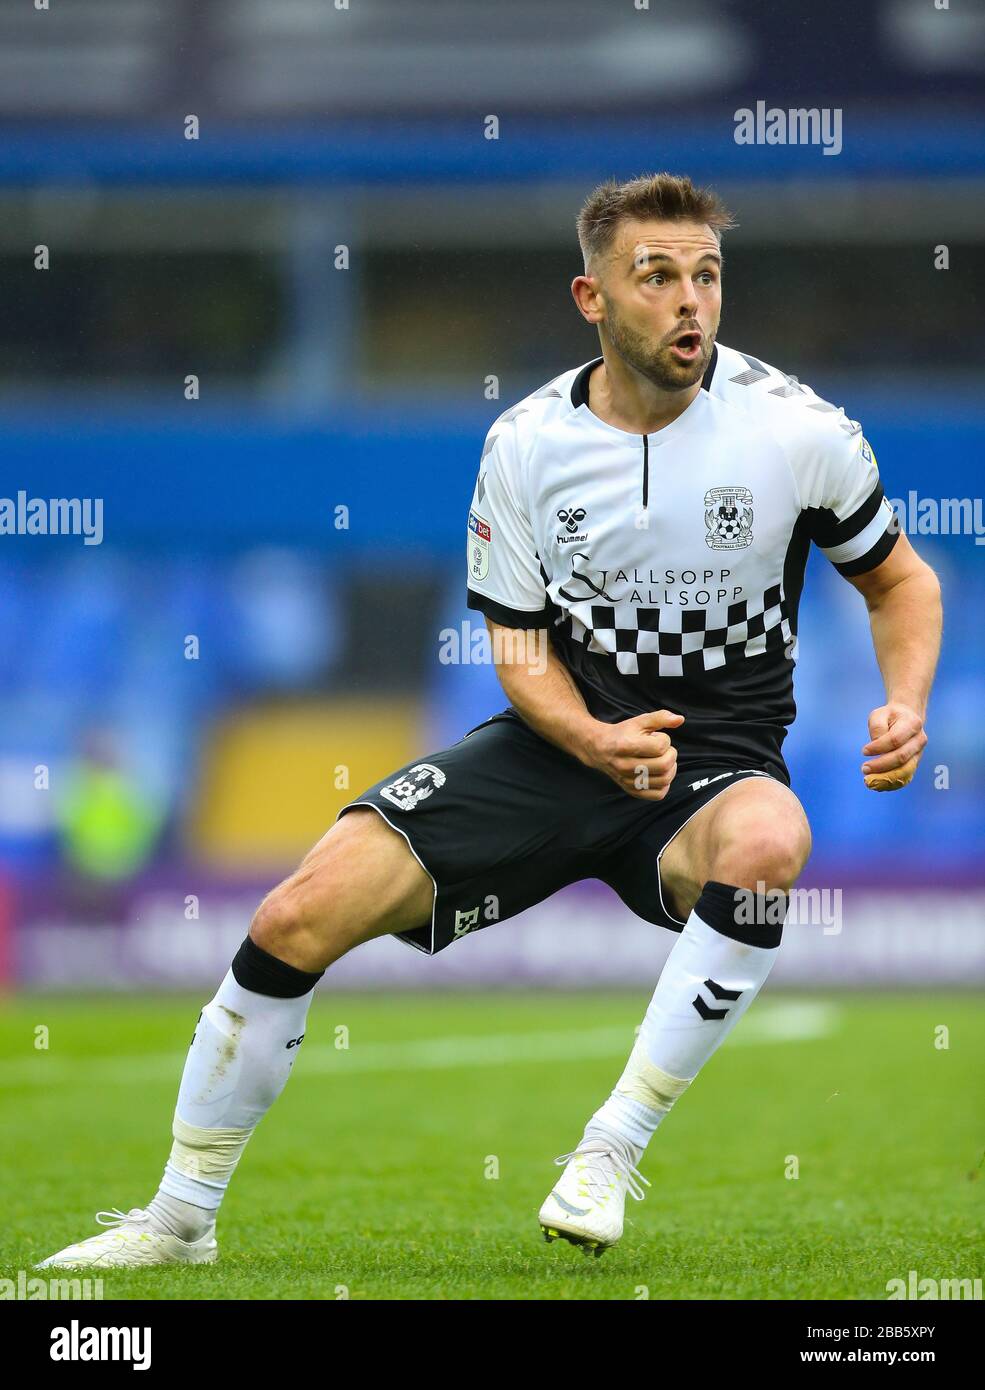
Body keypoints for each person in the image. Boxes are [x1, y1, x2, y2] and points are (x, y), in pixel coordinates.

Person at [38, 173, 942, 1268]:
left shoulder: (797, 432)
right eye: (654, 277)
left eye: (705, 276)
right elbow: (514, 647)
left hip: (712, 764)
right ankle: (179, 1220)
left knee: (768, 844)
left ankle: (609, 1149)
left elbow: (899, 583)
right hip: (556, 746)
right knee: (292, 916)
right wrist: (592, 738)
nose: (689, 302)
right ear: (591, 296)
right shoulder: (525, 444)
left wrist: (904, 701)